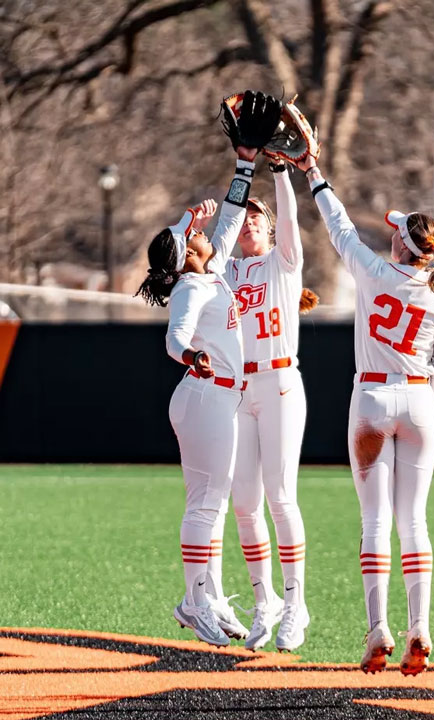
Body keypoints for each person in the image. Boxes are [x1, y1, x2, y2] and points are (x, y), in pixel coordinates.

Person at [295, 154, 434, 675]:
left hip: (370, 398)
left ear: (399, 244)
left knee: (374, 520)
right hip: (417, 401)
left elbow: (339, 225)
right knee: (414, 521)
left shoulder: (371, 270)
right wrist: (422, 408)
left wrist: (313, 172)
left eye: (396, 231)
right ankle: (421, 626)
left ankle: (378, 630)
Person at [135, 147, 263, 647]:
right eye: (193, 237)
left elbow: (230, 217)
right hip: (204, 394)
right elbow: (173, 338)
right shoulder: (191, 286)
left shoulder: (208, 271)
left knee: (214, 502)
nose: (203, 237)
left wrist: (246, 165)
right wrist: (190, 355)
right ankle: (192, 601)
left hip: (214, 398)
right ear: (188, 254)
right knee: (205, 505)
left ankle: (207, 596)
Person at [210, 161, 313, 652]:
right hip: (239, 391)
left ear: (270, 228)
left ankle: (296, 604)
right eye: (245, 216)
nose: (249, 221)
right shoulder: (224, 270)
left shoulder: (282, 262)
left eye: (258, 217)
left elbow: (290, 221)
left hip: (278, 383)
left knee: (280, 497)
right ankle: (265, 600)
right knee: (244, 503)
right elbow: (218, 235)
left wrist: (280, 174)